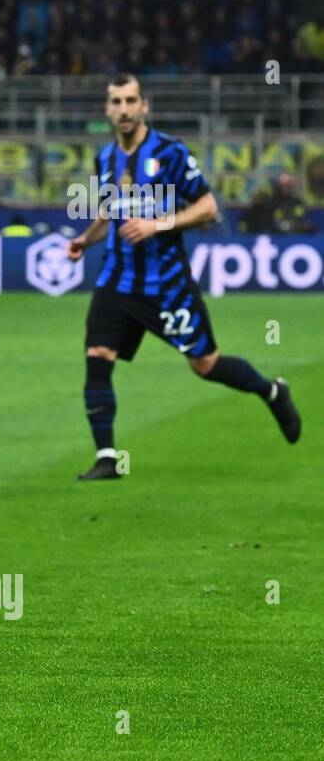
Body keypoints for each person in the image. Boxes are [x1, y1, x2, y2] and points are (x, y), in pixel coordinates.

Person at [67, 74, 300, 482]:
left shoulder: (170, 153)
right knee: (97, 357)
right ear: (107, 109)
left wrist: (158, 224)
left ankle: (271, 391)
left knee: (205, 364)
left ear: (144, 107)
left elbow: (209, 207)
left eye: (131, 101)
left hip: (167, 283)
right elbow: (110, 210)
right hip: (116, 281)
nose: (123, 109)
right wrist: (86, 240)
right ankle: (107, 456)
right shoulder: (105, 158)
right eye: (116, 101)